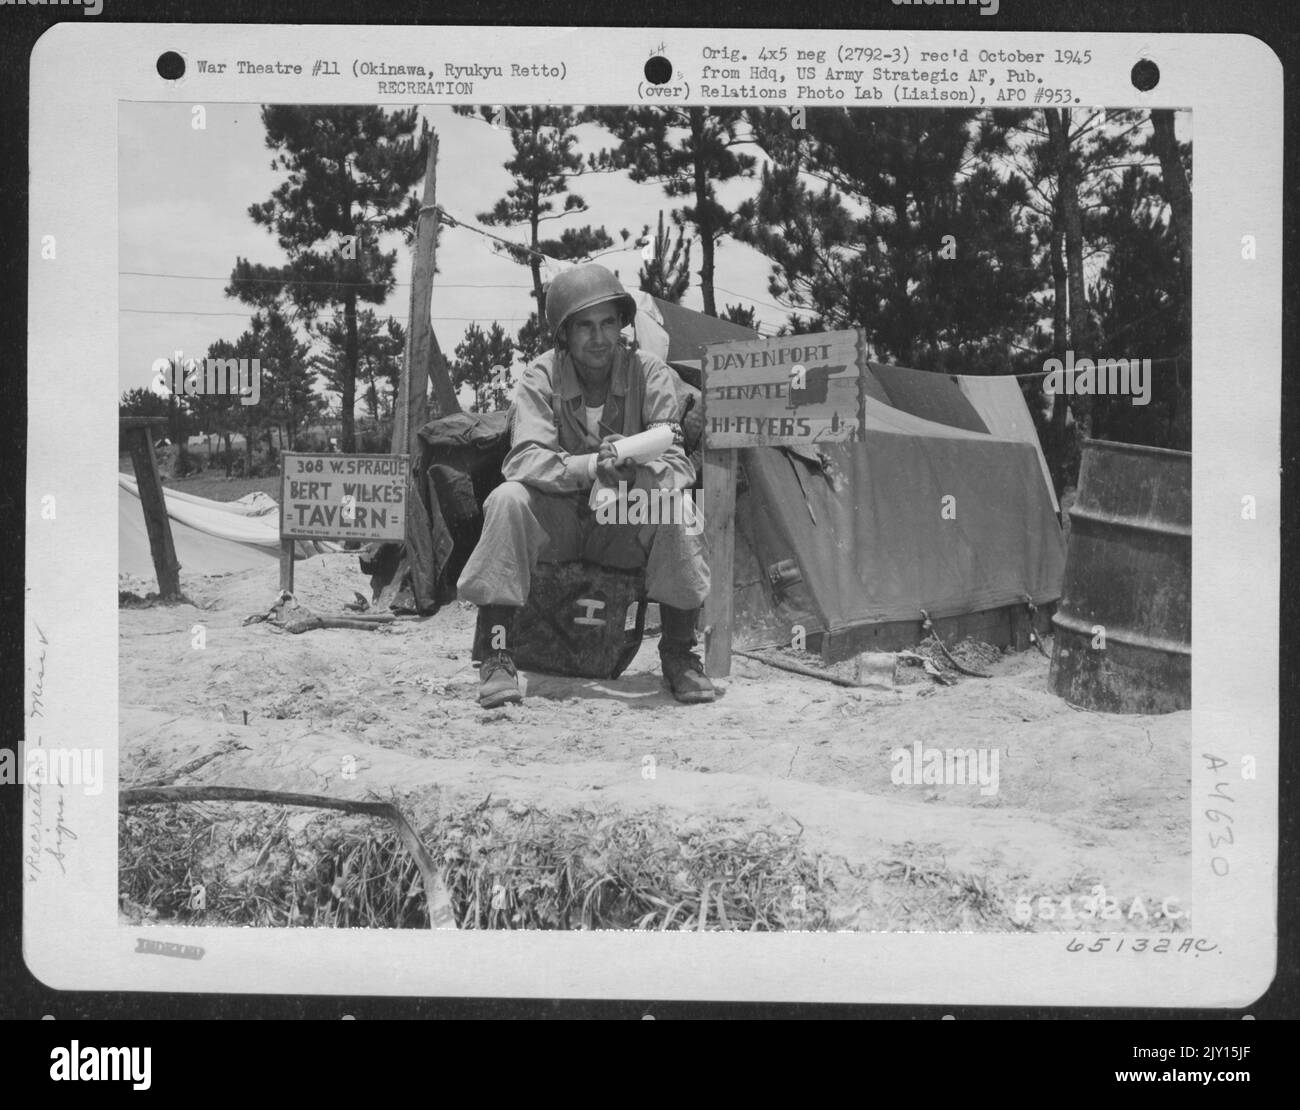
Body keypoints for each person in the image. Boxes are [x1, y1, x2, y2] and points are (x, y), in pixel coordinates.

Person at [457, 264, 715, 709]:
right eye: (585, 326)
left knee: (681, 510)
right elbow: (523, 459)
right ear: (564, 334)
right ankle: (497, 654)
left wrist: (632, 472)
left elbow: (676, 463)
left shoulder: (649, 373)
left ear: (621, 326)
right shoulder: (542, 375)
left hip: (621, 520)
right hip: (560, 520)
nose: (599, 338)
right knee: (507, 499)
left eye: (608, 323)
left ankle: (679, 653)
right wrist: (593, 465)